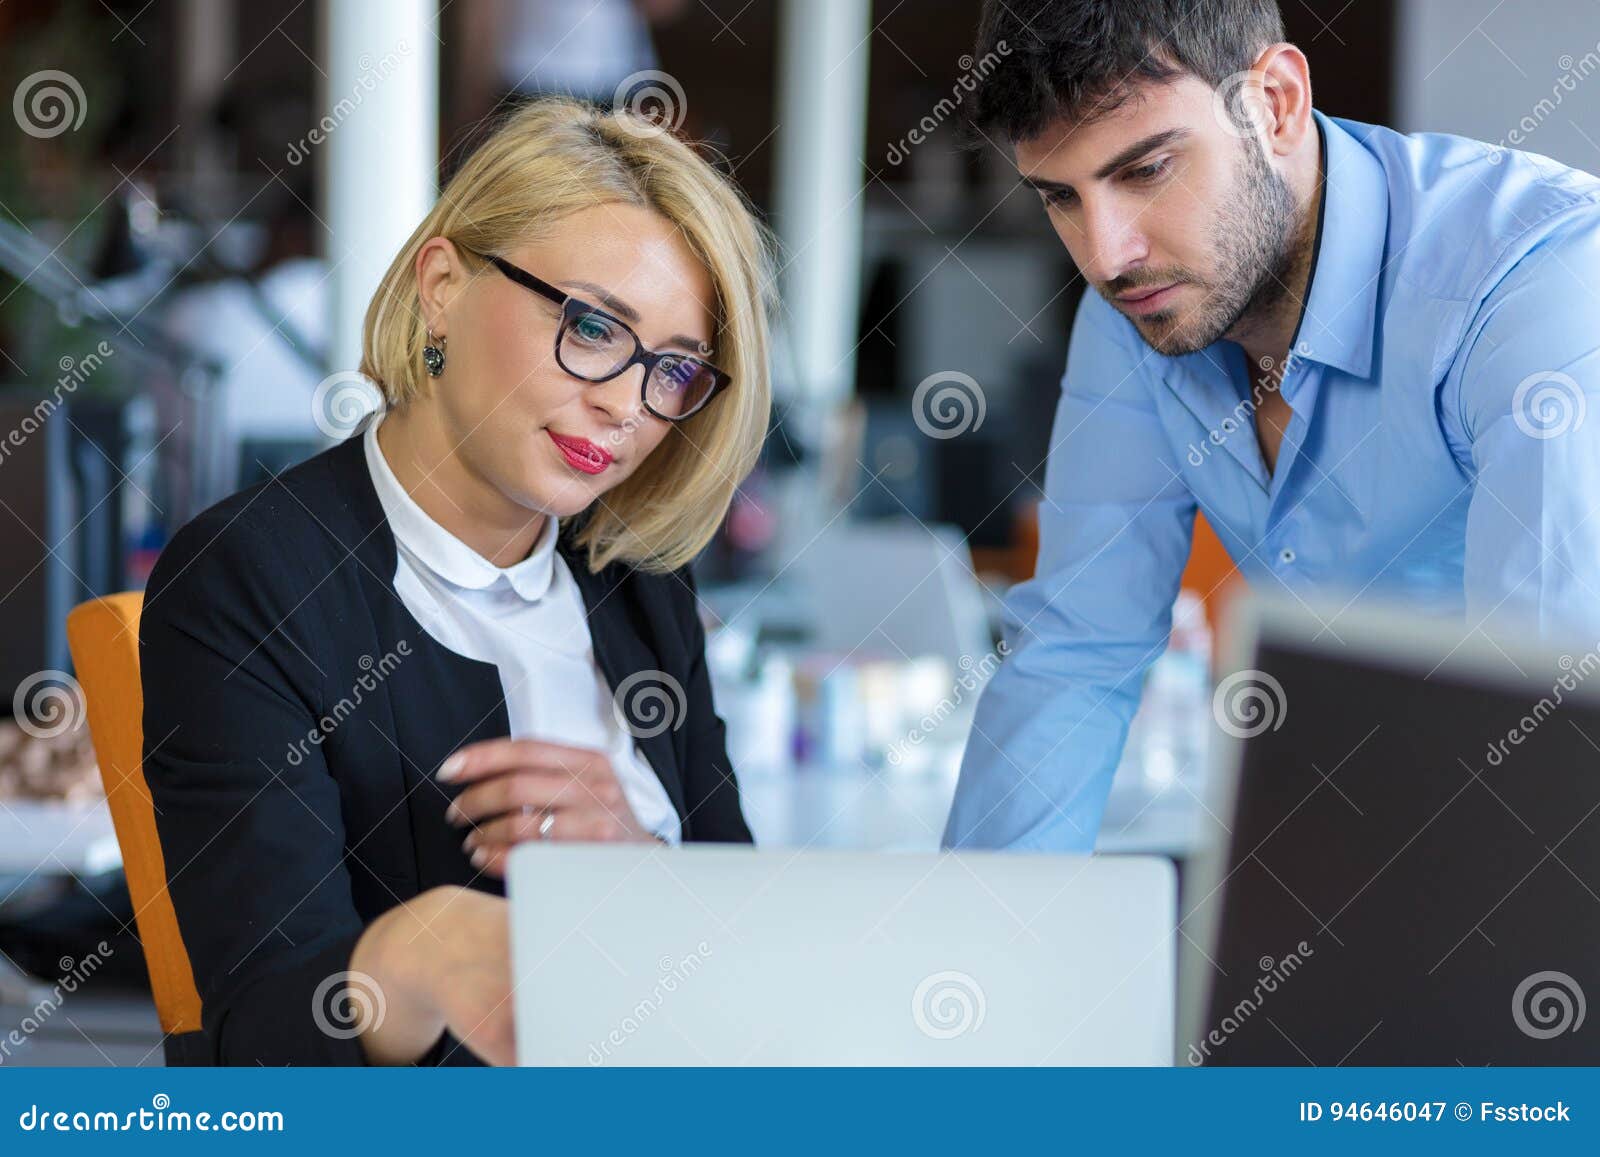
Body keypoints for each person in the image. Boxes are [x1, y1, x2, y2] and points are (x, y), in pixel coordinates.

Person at [140, 96, 775, 1065]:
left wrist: (640, 874)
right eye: (594, 324)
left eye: (673, 367)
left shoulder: (636, 579)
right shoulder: (254, 576)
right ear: (442, 285)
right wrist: (420, 954)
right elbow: (259, 1038)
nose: (622, 403)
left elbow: (748, 962)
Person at [944, 0, 1600, 851]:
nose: (1106, 255)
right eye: (1062, 198)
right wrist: (972, 948)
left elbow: (1544, 722)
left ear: (1277, 103)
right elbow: (1076, 645)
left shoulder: (1537, 282)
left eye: (1146, 171)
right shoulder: (1146, 300)